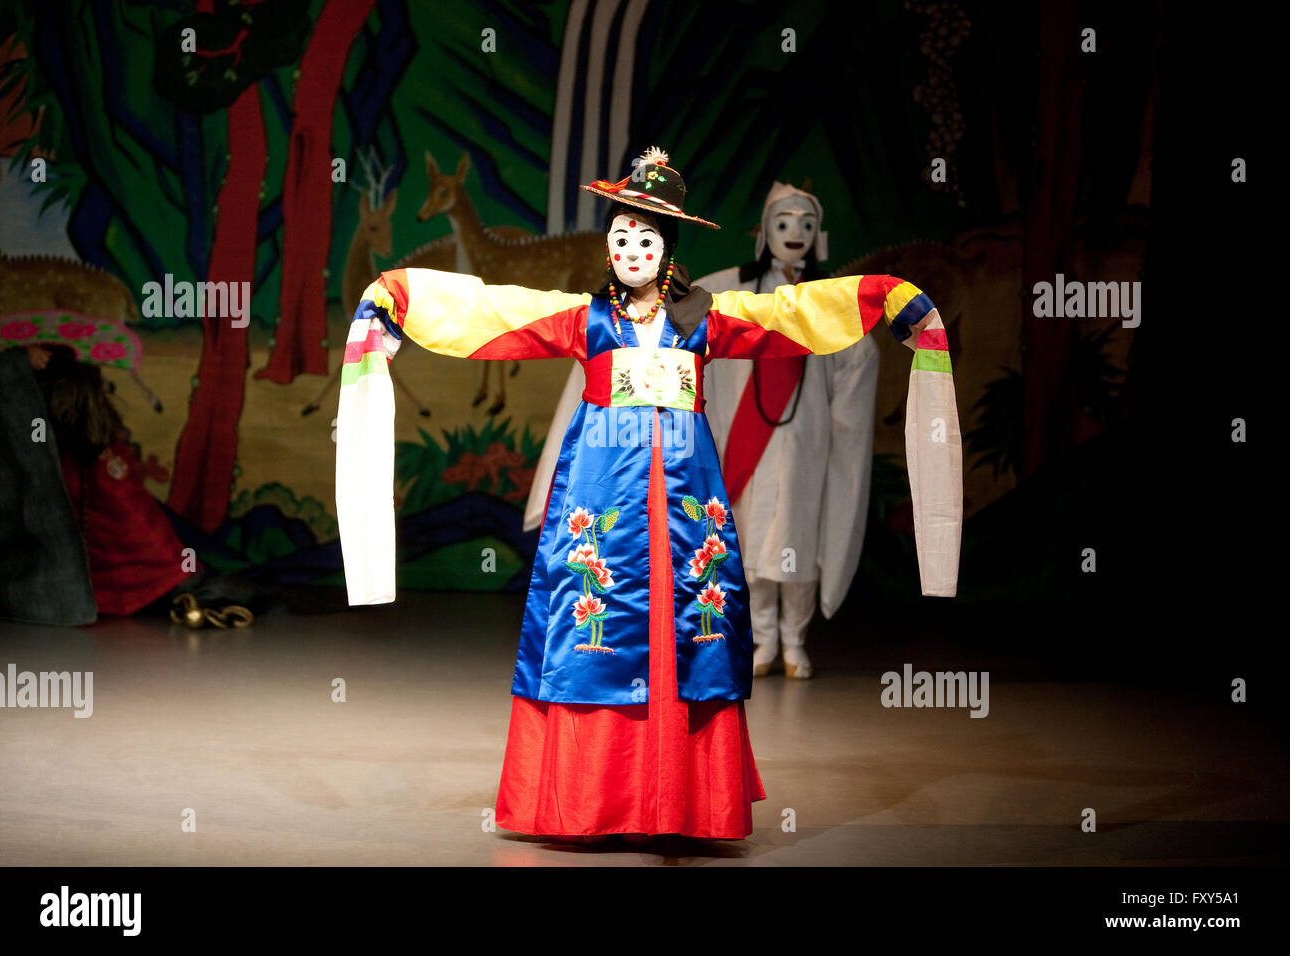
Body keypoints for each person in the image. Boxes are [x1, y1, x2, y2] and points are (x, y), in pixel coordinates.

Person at [335, 147, 962, 840]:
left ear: (668, 250)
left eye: (647, 239)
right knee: (594, 632)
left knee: (687, 634)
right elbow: (493, 311)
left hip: (685, 507)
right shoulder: (584, 319)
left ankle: (679, 802)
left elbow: (796, 312)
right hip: (602, 501)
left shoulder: (706, 319)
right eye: (622, 238)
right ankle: (585, 803)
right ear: (610, 247)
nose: (632, 249)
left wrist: (884, 299)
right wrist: (401, 296)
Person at [696, 182, 879, 679]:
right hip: (747, 437)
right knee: (751, 545)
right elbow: (690, 316)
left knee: (798, 537)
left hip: (805, 439)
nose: (794, 233)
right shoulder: (732, 291)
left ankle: (795, 641)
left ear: (818, 235)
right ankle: (761, 639)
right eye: (783, 223)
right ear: (764, 233)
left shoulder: (831, 300)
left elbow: (858, 359)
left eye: (805, 224)